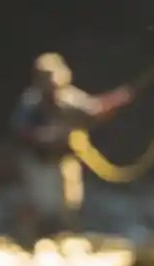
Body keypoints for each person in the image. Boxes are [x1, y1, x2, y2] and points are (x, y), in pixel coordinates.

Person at [10, 52, 133, 248]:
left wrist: (115, 101)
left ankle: (62, 243)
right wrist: (46, 136)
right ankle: (29, 243)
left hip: (65, 163)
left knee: (68, 206)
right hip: (39, 163)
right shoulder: (30, 104)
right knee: (41, 205)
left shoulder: (70, 98)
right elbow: (20, 131)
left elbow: (94, 110)